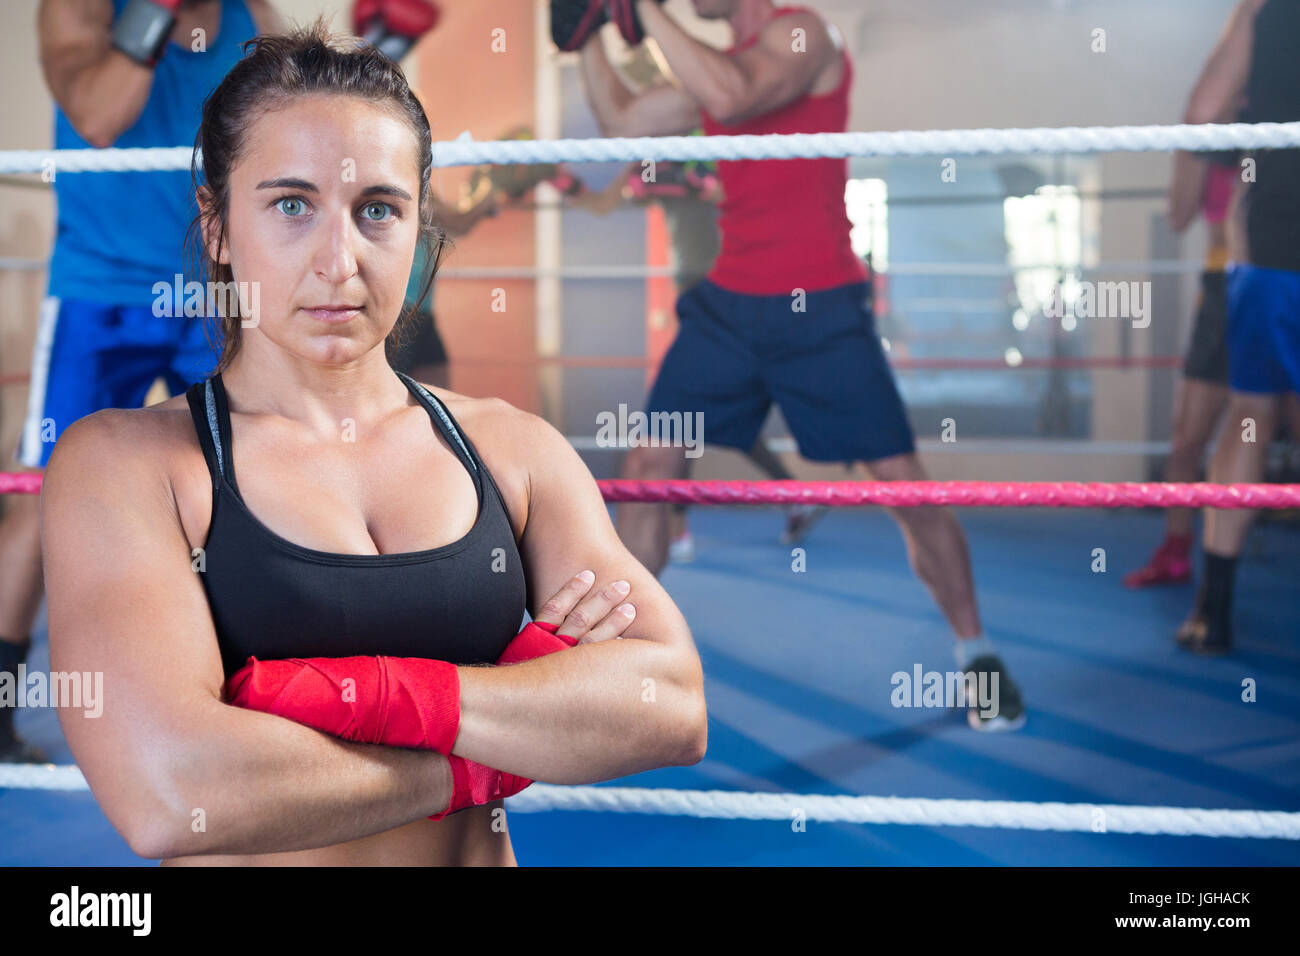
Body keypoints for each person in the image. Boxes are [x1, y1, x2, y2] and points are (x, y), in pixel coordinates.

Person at [41, 22, 706, 865]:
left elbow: (671, 702)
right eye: (291, 205)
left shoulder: (511, 449)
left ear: (420, 229)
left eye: (378, 210)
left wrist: (377, 699)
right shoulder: (131, 466)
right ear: (215, 227)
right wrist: (490, 751)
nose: (339, 259)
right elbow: (174, 791)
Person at [570, 0, 1025, 730]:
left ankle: (978, 655)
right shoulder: (710, 62)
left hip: (821, 307)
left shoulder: (804, 34)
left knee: (903, 489)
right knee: (648, 472)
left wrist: (644, 9)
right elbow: (624, 125)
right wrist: (587, 35)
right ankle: (609, 663)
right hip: (728, 307)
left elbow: (732, 94)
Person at [0, 0, 280, 765]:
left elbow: (291, 99)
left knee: (255, 475)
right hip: (100, 289)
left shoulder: (245, 9)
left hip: (214, 288)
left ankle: (267, 686)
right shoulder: (78, 7)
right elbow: (96, 114)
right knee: (37, 490)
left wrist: (381, 44)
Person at [1175, 0, 1300, 653]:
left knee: (1249, 415)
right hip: (1269, 245)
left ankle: (1210, 613)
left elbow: (1201, 111)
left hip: (1270, 247)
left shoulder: (1264, 8)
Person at [385, 190, 499, 389]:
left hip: (423, 315)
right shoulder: (411, 200)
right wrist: (487, 199)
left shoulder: (428, 198)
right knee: (393, 392)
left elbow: (458, 223)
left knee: (438, 393)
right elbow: (459, 222)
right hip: (400, 316)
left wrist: (482, 206)